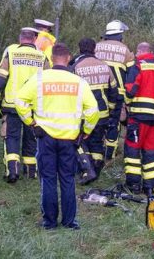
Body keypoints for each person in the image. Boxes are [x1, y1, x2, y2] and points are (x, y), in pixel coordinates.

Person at [15, 43, 99, 230]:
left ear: (52, 58)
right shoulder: (79, 82)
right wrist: (86, 131)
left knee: (48, 179)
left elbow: (19, 101)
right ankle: (70, 222)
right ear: (69, 58)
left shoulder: (39, 78)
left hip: (45, 137)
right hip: (70, 138)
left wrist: (32, 123)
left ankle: (49, 222)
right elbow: (93, 110)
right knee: (68, 179)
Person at [0, 27, 50, 182]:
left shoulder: (11, 53)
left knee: (11, 137)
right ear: (34, 39)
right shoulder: (42, 57)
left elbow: (1, 77)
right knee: (31, 138)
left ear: (20, 38)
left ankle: (13, 171)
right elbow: (48, 81)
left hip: (12, 105)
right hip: (33, 107)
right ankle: (31, 172)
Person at [123, 42, 154, 195]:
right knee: (150, 152)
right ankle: (150, 187)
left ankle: (133, 186)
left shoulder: (138, 66)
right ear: (151, 52)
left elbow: (131, 90)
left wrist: (125, 103)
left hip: (138, 119)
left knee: (132, 151)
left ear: (139, 52)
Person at [70, 38, 121, 183]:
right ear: (94, 49)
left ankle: (87, 170)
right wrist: (110, 109)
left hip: (84, 114)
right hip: (102, 113)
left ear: (80, 49)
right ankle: (97, 167)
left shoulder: (76, 67)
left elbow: (73, 91)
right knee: (97, 142)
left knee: (80, 141)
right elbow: (113, 92)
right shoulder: (105, 66)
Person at [94, 20, 135, 160]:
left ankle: (95, 152)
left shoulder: (96, 47)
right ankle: (109, 156)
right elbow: (131, 73)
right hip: (117, 93)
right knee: (114, 123)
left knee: (96, 120)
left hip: (96, 91)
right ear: (119, 36)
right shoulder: (125, 50)